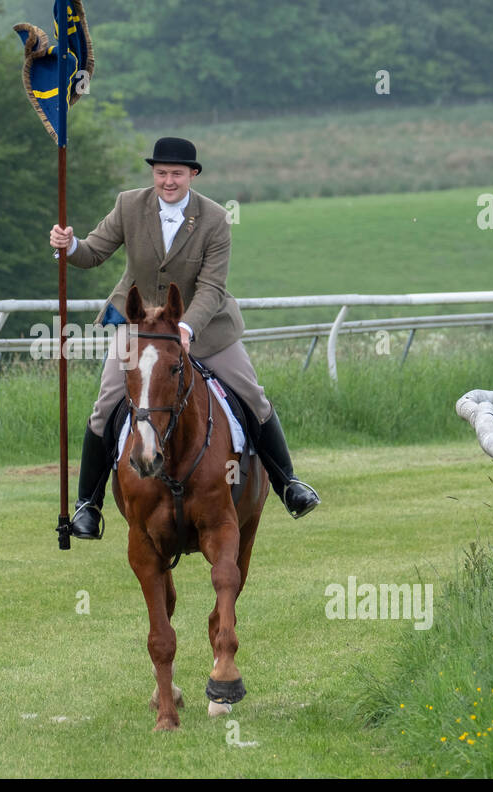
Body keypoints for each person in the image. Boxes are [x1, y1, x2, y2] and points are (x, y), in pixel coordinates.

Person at [49, 136, 320, 540]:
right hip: (138, 328)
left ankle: (289, 484)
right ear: (153, 174)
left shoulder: (214, 218)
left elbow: (211, 287)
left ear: (192, 175)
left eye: (176, 173)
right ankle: (88, 505)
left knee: (252, 395)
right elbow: (93, 253)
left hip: (204, 328)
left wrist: (186, 328)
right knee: (105, 406)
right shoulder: (129, 205)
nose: (168, 181)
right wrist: (69, 245)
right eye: (161, 173)